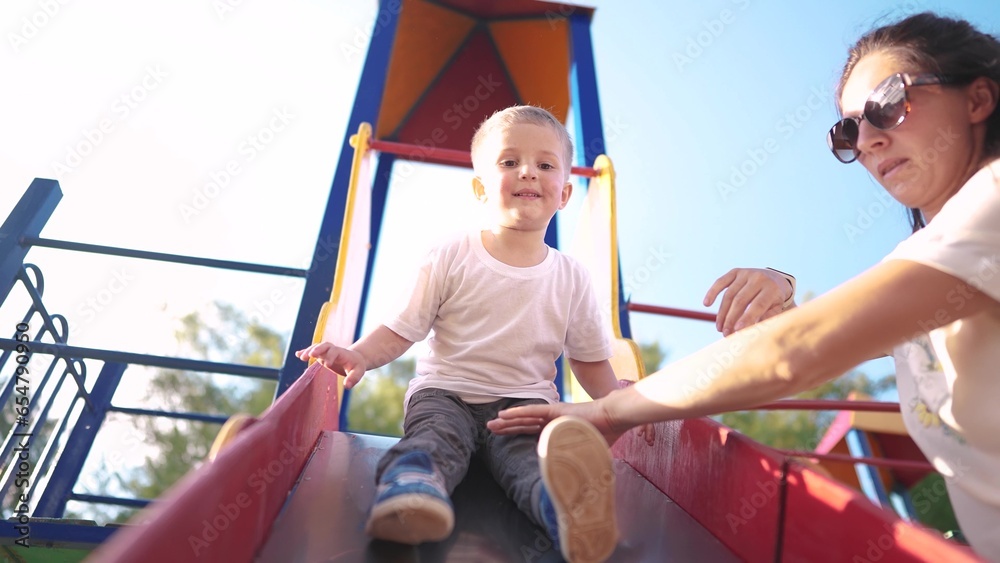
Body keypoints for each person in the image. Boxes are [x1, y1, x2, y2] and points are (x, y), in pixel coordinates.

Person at [488, 12, 1000, 560]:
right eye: (848, 130)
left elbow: (795, 352)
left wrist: (612, 410)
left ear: (977, 99)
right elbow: (827, 331)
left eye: (888, 103)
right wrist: (783, 293)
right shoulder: (951, 254)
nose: (870, 139)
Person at [297, 105, 622, 563]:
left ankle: (566, 514)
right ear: (480, 188)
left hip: (525, 406)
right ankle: (411, 491)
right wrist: (361, 355)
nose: (528, 172)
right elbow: (402, 327)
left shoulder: (572, 276)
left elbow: (588, 359)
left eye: (546, 165)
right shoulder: (451, 253)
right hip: (445, 393)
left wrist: (619, 403)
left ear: (565, 193)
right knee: (434, 439)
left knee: (532, 463)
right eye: (509, 162)